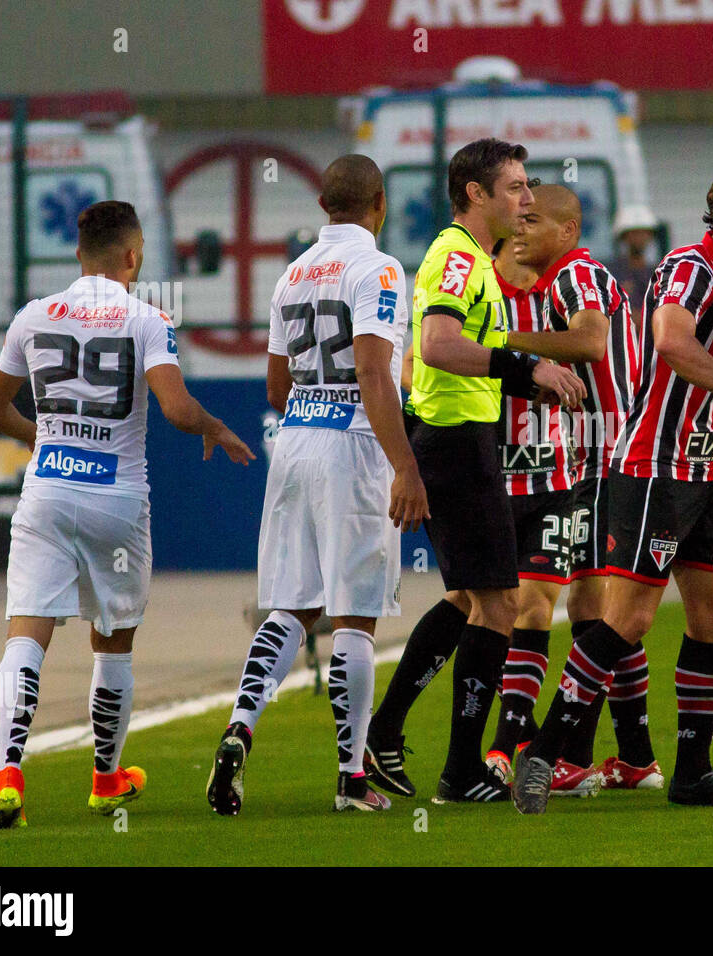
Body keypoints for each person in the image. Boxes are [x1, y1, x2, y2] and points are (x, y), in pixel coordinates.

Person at [511, 160, 713, 814]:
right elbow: (671, 342)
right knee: (625, 618)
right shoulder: (688, 267)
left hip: (712, 469)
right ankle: (544, 753)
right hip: (653, 467)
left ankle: (691, 772)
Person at [0, 200, 255, 828]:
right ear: (133, 257)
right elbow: (178, 409)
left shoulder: (32, 316)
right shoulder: (146, 318)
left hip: (46, 493)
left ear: (77, 254)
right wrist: (216, 428)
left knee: (27, 633)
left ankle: (8, 773)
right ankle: (106, 779)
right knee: (115, 640)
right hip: (116, 501)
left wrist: (46, 439)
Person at [362, 139, 585, 804]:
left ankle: (387, 733)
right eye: (514, 187)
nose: (526, 198)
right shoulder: (458, 255)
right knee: (499, 604)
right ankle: (458, 770)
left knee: (469, 600)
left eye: (527, 186)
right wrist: (528, 368)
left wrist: (521, 384)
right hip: (455, 443)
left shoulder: (469, 257)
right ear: (476, 194)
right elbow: (438, 344)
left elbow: (455, 350)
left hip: (461, 437)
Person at [206, 155, 426, 816]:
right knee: (355, 615)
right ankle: (352, 777)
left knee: (291, 605)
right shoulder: (382, 268)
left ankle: (241, 724)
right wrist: (406, 464)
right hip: (353, 448)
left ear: (325, 204)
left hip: (294, 441)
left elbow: (276, 388)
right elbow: (372, 369)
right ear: (378, 204)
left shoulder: (292, 275)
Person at [489, 184, 661, 793]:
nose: (519, 229)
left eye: (531, 220)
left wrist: (499, 346)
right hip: (604, 456)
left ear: (566, 231)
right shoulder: (572, 274)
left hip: (611, 459)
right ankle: (633, 757)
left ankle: (573, 754)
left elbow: (590, 341)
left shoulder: (575, 273)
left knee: (600, 609)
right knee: (602, 607)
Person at [608, 204, 660, 316]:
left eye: (643, 233)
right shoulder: (611, 274)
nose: (639, 238)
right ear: (623, 237)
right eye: (634, 233)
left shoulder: (659, 273)